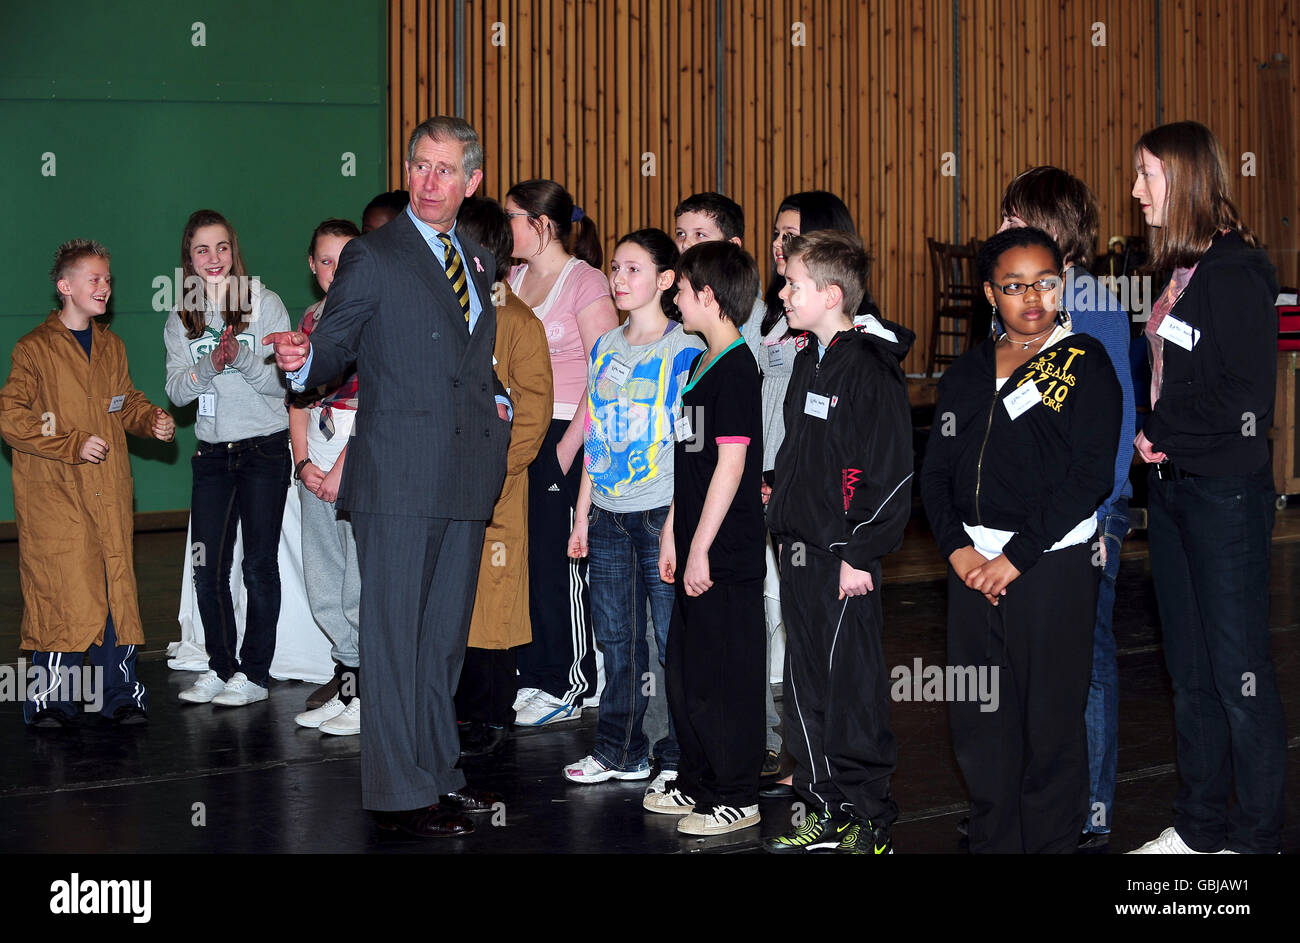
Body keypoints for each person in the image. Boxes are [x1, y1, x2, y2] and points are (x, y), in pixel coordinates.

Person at [266, 116, 511, 839]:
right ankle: (402, 792)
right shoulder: (372, 256)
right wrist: (299, 364)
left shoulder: (474, 257)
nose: (429, 181)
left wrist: (498, 406)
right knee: (395, 639)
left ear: (472, 182)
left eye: (445, 170)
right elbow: (331, 350)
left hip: (464, 479)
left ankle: (438, 775)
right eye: (419, 166)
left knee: (441, 643)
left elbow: (474, 361)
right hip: (398, 480)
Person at [920, 226, 1120, 853]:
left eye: (1046, 283)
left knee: (1050, 726)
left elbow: (1087, 477)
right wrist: (958, 551)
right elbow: (934, 471)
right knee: (980, 723)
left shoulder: (1084, 361)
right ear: (989, 293)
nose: (1032, 297)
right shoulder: (969, 372)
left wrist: (1016, 558)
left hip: (1049, 566)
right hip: (972, 567)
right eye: (1014, 286)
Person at [1127, 121, 1286, 855]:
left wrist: (1165, 432)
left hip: (1224, 494)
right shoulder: (1181, 269)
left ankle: (1255, 838)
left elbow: (1246, 398)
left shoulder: (1236, 270)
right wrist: (1160, 442)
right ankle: (1200, 826)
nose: (1136, 192)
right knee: (1189, 672)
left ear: (1185, 180)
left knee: (1238, 675)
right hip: (1175, 492)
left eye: (1148, 177)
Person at [996, 167, 1137, 849]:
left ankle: (1091, 805)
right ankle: (1046, 796)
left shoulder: (1093, 302)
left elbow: (1115, 420)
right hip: (1029, 516)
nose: (998, 233)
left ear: (1048, 226)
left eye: (1012, 219)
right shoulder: (1025, 299)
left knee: (1086, 659)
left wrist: (1105, 514)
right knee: (1032, 660)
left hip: (1085, 516)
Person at [763, 230, 913, 855]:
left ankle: (870, 815)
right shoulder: (807, 358)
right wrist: (779, 491)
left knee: (851, 689)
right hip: (797, 549)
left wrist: (860, 550)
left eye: (793, 285)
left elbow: (890, 471)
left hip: (842, 560)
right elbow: (803, 448)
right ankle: (824, 803)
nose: (782, 292)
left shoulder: (869, 369)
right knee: (804, 684)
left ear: (830, 294)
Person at [1, 239, 174, 727]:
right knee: (64, 593)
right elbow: (11, 417)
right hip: (58, 501)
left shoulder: (111, 346)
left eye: (108, 280)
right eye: (94, 279)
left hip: (109, 494)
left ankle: (119, 693)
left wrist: (151, 420)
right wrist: (70, 442)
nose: (105, 287)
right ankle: (51, 700)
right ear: (65, 287)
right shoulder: (32, 350)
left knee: (116, 590)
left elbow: (125, 403)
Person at [564, 229, 702, 795]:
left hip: (659, 514)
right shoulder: (604, 349)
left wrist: (675, 523)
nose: (619, 280)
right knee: (616, 639)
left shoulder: (686, 351)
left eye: (633, 270)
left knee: (671, 641)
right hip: (608, 515)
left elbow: (692, 450)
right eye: (615, 269)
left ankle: (676, 752)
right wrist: (582, 517)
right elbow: (595, 437)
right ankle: (619, 749)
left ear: (667, 280)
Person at [646, 240, 766, 836]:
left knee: (726, 674)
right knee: (687, 672)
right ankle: (697, 783)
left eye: (683, 287)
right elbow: (686, 462)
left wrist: (701, 548)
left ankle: (737, 794)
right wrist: (673, 531)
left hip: (727, 548)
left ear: (708, 296)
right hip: (694, 536)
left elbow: (731, 465)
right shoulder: (698, 365)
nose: (675, 295)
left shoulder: (740, 371)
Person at [165, 210, 292, 708]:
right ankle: (221, 667)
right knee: (207, 567)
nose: (213, 259)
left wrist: (237, 357)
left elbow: (281, 385)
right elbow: (176, 392)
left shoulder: (265, 304)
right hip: (213, 454)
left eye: (221, 248)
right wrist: (208, 364)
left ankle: (254, 674)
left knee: (259, 564)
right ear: (189, 259)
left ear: (233, 251)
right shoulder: (181, 315)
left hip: (264, 449)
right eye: (201, 250)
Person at [506, 179, 619, 726]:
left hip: (566, 431)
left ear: (540, 225)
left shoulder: (586, 281)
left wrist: (569, 449)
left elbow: (605, 376)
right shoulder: (512, 278)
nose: (506, 228)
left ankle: (571, 680)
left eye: (512, 218)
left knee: (561, 557)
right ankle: (534, 671)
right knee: (523, 555)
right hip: (520, 431)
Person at [452, 196, 554, 758]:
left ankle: (492, 712)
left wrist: (498, 472)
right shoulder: (450, 314)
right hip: (447, 486)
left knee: (494, 606)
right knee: (454, 603)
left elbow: (534, 408)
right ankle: (457, 709)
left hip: (498, 490)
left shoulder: (517, 322)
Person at [289, 218, 365, 735]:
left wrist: (341, 467)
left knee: (360, 582)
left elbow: (381, 402)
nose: (334, 271)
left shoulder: (373, 315)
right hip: (314, 455)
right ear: (312, 266)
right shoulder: (311, 318)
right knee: (324, 580)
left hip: (356, 454)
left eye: (346, 259)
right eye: (325, 261)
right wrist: (303, 463)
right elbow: (296, 397)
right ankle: (347, 682)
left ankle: (370, 693)